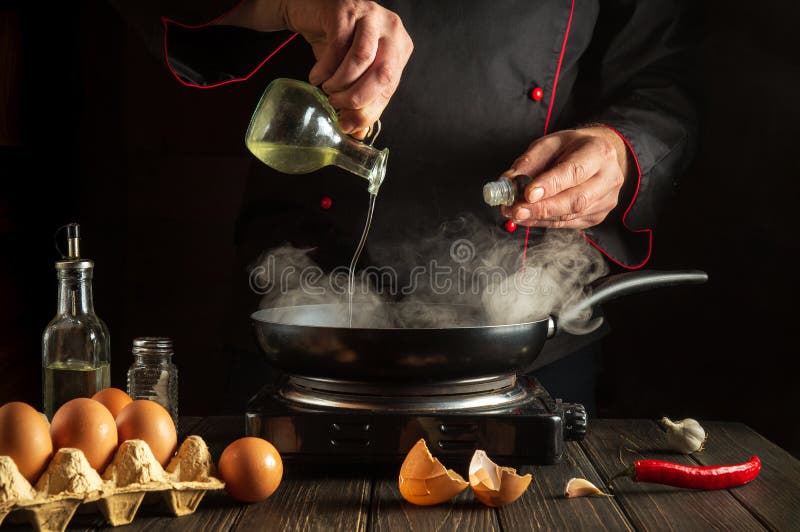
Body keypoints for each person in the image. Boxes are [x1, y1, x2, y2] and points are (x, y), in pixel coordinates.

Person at [111, 0, 700, 413]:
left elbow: (661, 81)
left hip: (524, 343)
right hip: (301, 324)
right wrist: (289, 1)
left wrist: (621, 153)